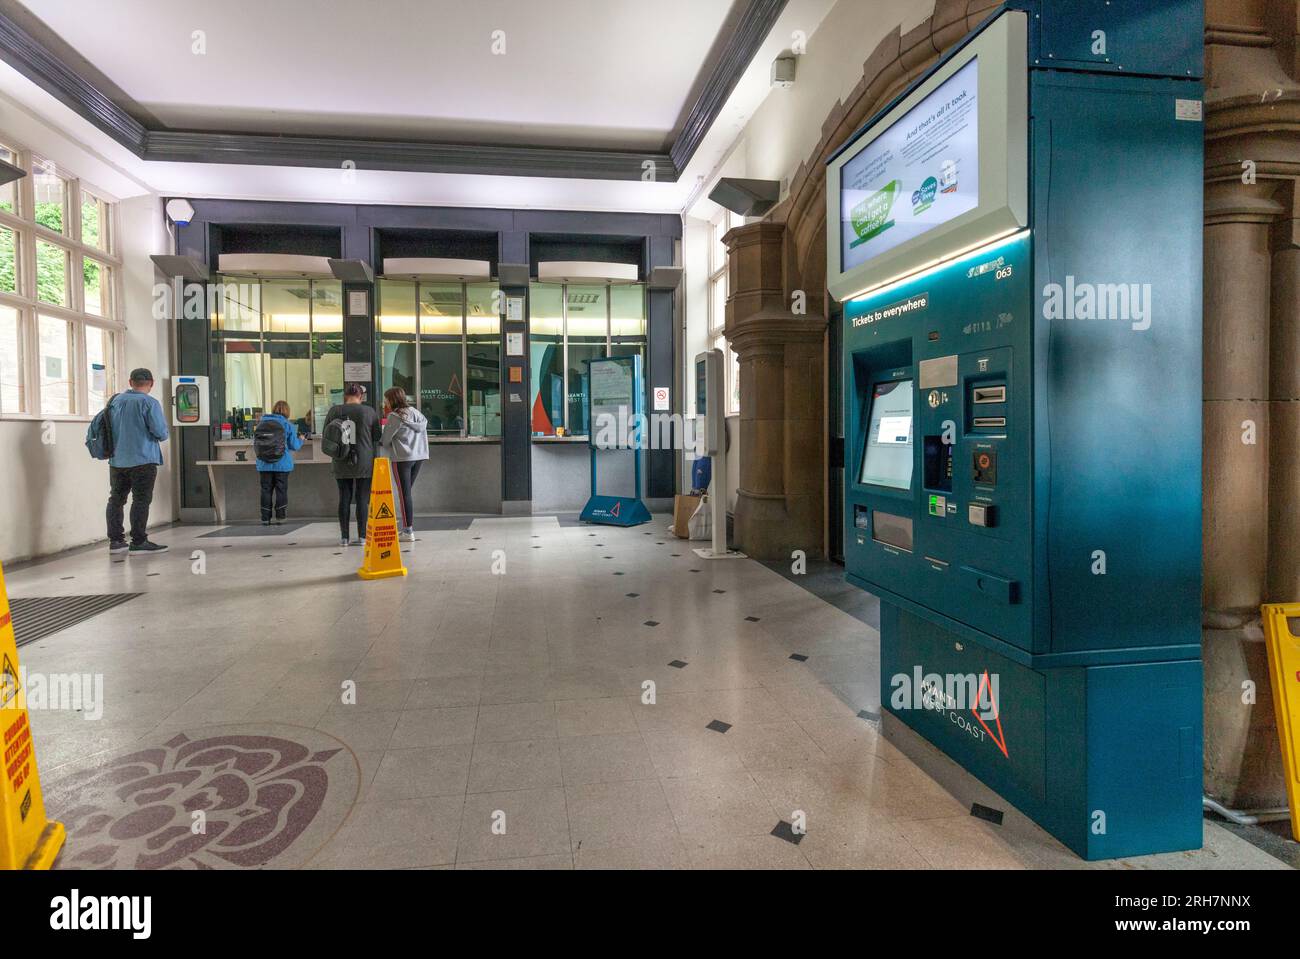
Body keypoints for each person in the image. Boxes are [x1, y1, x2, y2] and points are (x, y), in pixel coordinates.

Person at [106, 368, 170, 555]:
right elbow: (161, 432)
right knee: (141, 500)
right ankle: (138, 541)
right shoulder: (149, 403)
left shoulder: (114, 401)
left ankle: (116, 541)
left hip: (117, 460)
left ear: (130, 381)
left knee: (116, 499)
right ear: (151, 383)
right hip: (143, 459)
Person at [324, 384, 382, 548]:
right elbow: (377, 435)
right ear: (360, 397)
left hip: (341, 458)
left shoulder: (334, 411)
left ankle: (344, 538)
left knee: (344, 497)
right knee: (362, 499)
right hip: (364, 460)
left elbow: (327, 435)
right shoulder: (369, 411)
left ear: (345, 396)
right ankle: (362, 537)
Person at [380, 387, 430, 543]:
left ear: (392, 399)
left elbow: (385, 439)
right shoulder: (415, 412)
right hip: (419, 456)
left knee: (404, 494)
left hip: (402, 458)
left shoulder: (395, 416)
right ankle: (407, 528)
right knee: (406, 493)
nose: (385, 402)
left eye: (386, 399)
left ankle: (408, 530)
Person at [253, 400, 303, 525]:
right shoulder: (287, 425)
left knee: (266, 490)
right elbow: (294, 446)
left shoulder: (261, 423)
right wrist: (301, 439)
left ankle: (265, 518)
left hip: (264, 464)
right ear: (287, 411)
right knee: (281, 490)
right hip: (282, 464)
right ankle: (280, 517)